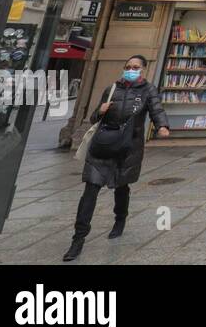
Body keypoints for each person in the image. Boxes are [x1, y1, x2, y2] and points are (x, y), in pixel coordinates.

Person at [62, 55, 169, 261]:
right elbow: (93, 118)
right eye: (128, 66)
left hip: (128, 147)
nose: (131, 69)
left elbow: (157, 109)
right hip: (102, 145)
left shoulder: (148, 90)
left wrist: (162, 125)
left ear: (144, 70)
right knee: (90, 190)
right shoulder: (111, 89)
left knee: (122, 186)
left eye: (135, 67)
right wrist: (99, 111)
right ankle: (78, 239)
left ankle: (120, 219)